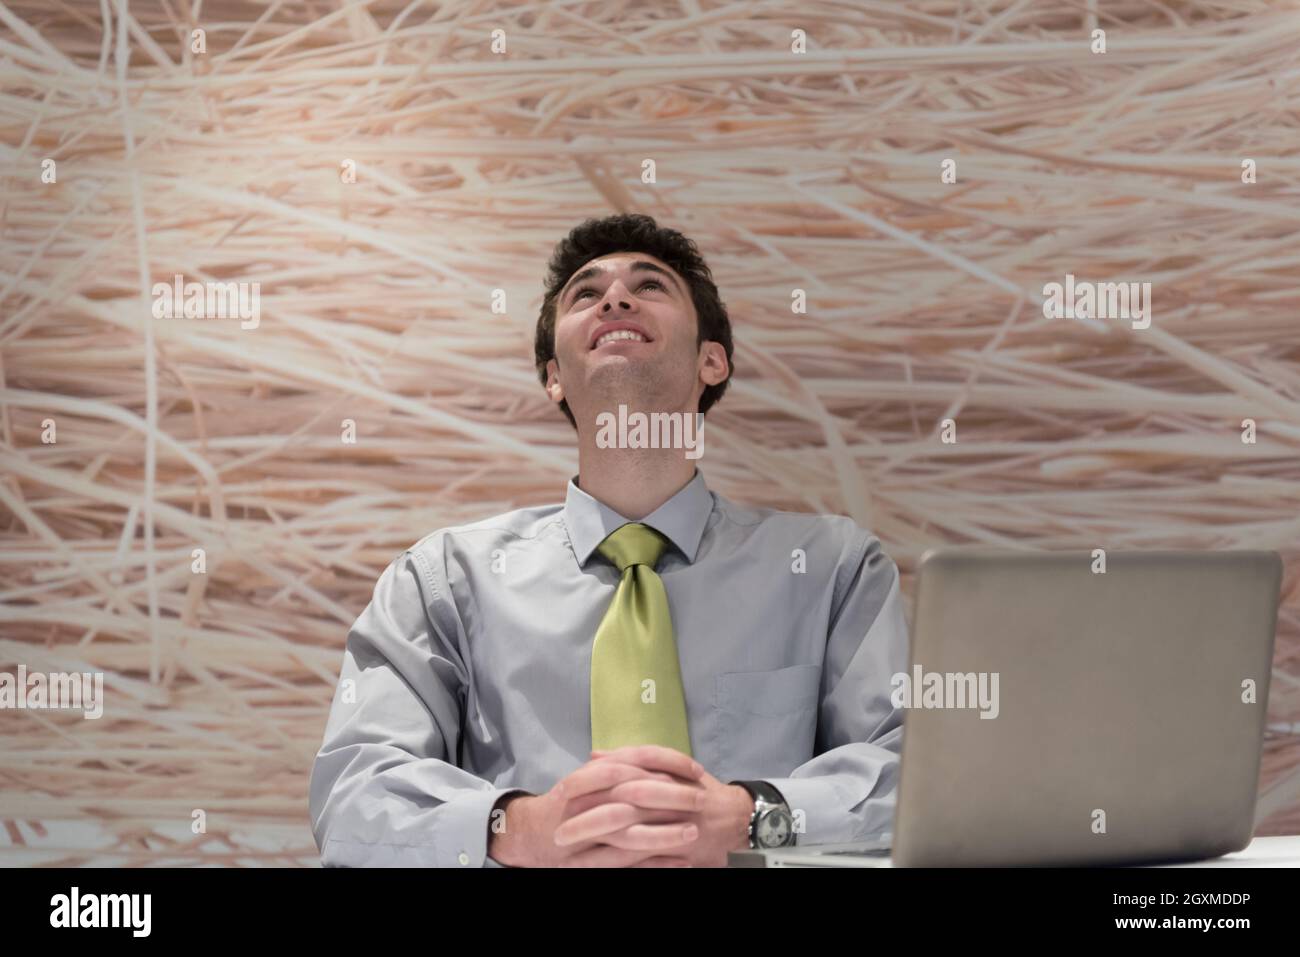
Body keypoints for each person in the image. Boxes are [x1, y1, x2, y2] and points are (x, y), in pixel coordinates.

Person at [308, 213, 909, 867]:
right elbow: (353, 793)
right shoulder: (440, 582)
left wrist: (748, 817)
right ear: (553, 377)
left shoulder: (833, 570)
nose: (615, 298)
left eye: (650, 286)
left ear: (712, 359)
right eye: (585, 294)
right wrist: (520, 827)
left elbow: (913, 776)